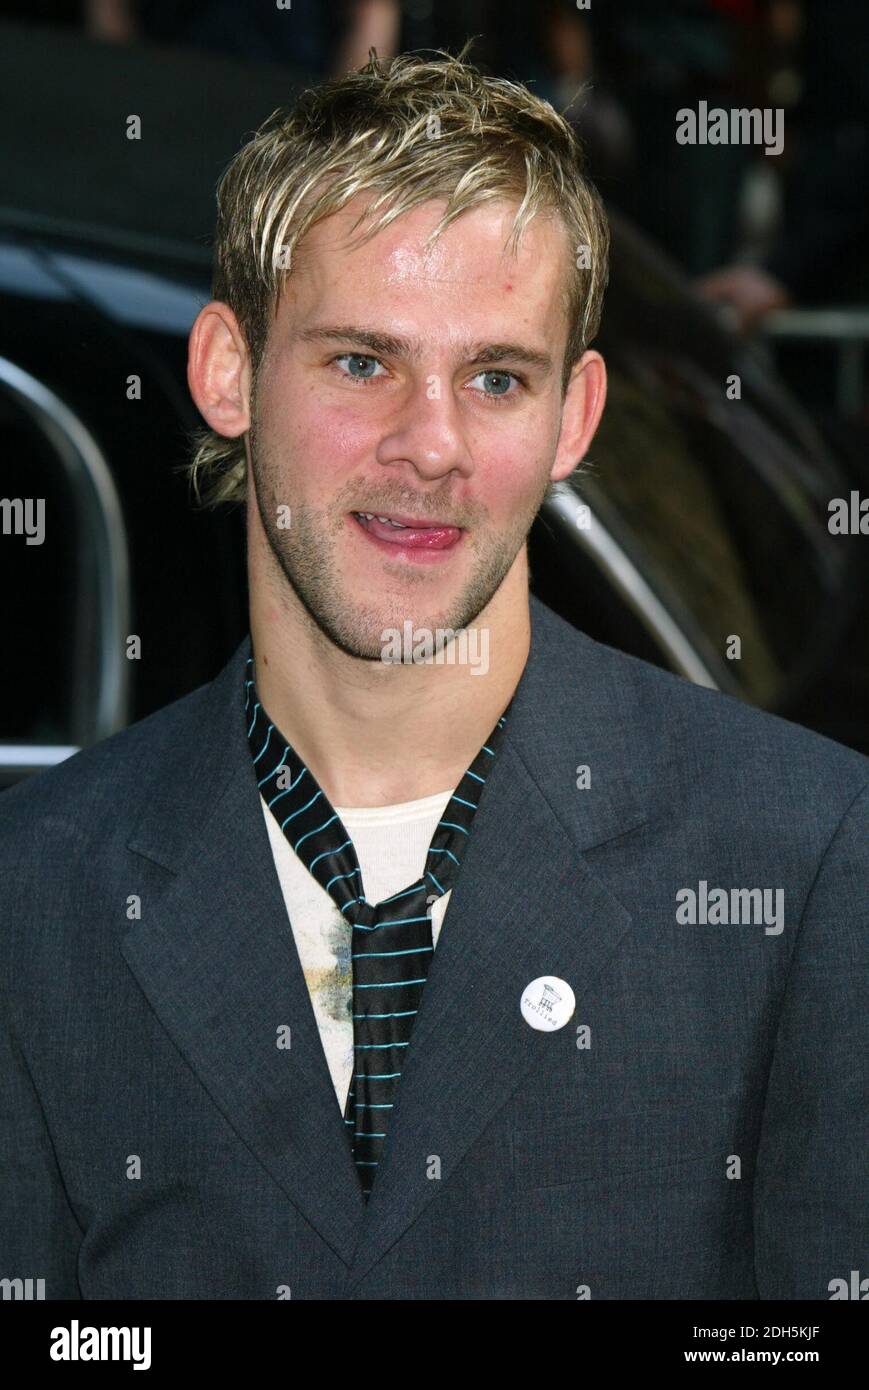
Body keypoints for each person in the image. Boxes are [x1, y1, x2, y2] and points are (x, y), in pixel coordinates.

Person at [1, 47, 866, 1302]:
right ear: (226, 374)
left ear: (572, 418)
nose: (432, 445)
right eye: (362, 362)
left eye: (495, 377)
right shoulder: (38, 898)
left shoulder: (803, 860)